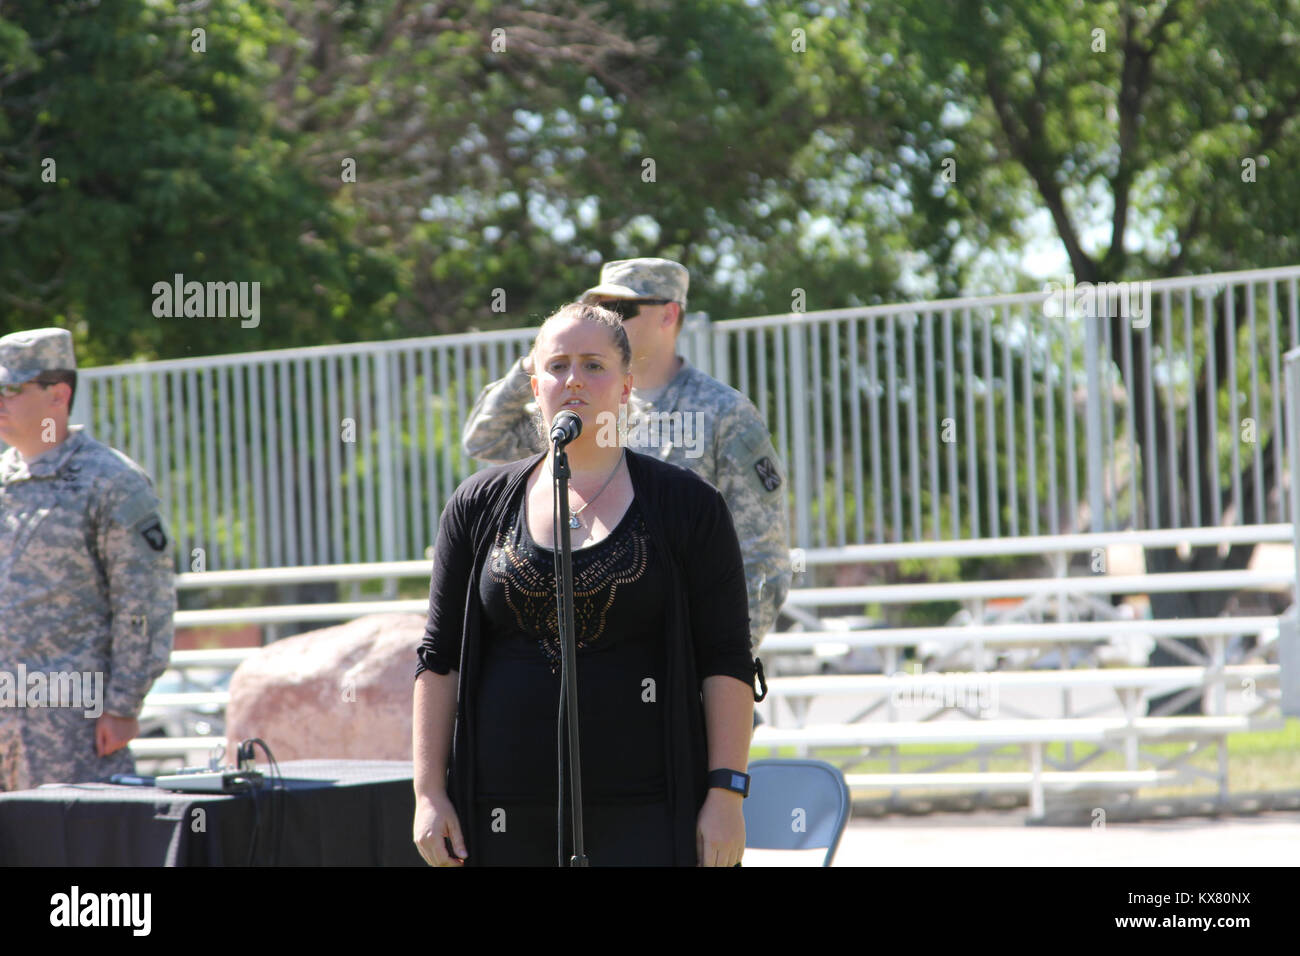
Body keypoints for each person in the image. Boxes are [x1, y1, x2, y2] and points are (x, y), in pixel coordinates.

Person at [414, 303, 759, 866]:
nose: (573, 379)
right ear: (535, 384)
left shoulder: (688, 507)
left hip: (648, 811)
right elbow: (438, 657)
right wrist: (428, 793)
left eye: (593, 365)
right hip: (500, 811)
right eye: (558, 365)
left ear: (626, 387)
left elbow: (726, 660)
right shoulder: (477, 504)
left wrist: (725, 794)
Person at [461, 257, 790, 652]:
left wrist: (723, 664)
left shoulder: (723, 413)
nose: (605, 318)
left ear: (669, 314)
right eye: (598, 308)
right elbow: (484, 440)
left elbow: (762, 555)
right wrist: (537, 362)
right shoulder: (579, 404)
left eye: (620, 309)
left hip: (679, 649)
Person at [0, 328, 175, 789]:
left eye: (11, 390)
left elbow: (144, 602)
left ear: (58, 395)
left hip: (72, 728)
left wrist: (122, 706)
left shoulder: (111, 482)